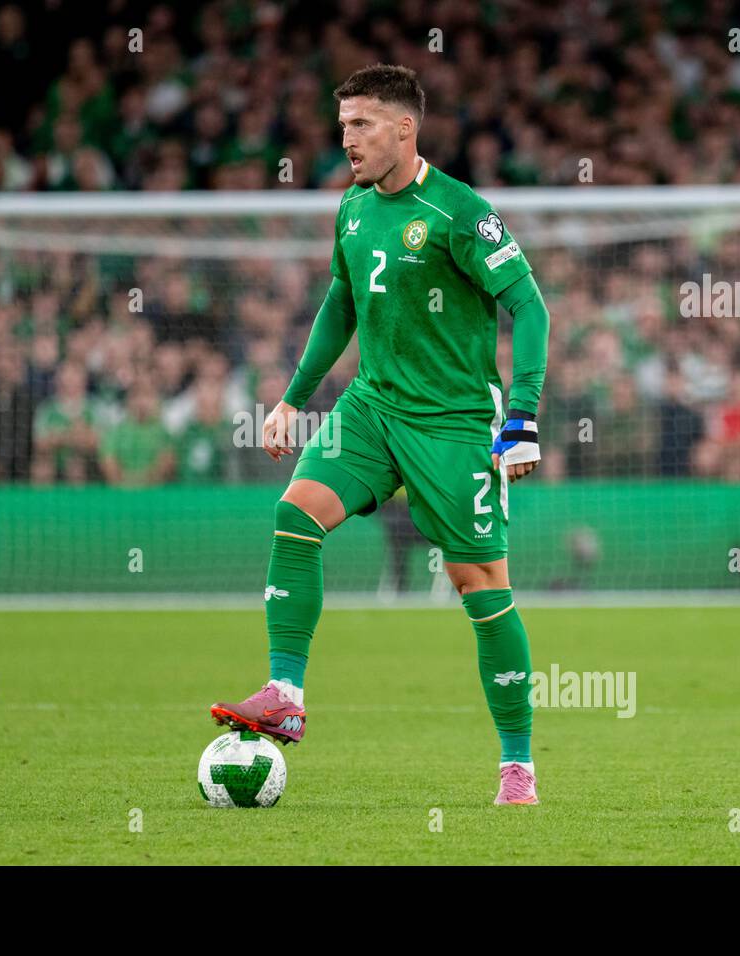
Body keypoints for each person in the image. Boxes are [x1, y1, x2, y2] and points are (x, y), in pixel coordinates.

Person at [209, 65, 551, 806]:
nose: (347, 141)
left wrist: (520, 417)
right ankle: (284, 691)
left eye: (361, 125)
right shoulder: (353, 211)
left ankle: (517, 765)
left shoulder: (460, 212)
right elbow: (342, 302)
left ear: (405, 129)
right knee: (295, 514)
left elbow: (531, 307)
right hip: (371, 407)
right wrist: (292, 399)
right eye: (342, 127)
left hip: (452, 425)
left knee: (480, 585)